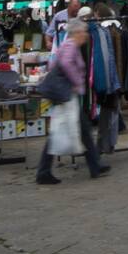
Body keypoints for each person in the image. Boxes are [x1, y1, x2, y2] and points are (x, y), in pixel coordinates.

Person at [36, 18, 109, 184]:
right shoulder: (70, 45)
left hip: (65, 94)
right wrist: (77, 82)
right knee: (60, 131)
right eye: (83, 32)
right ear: (77, 32)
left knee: (82, 129)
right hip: (65, 94)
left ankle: (94, 165)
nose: (86, 35)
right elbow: (66, 63)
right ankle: (44, 171)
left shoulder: (70, 45)